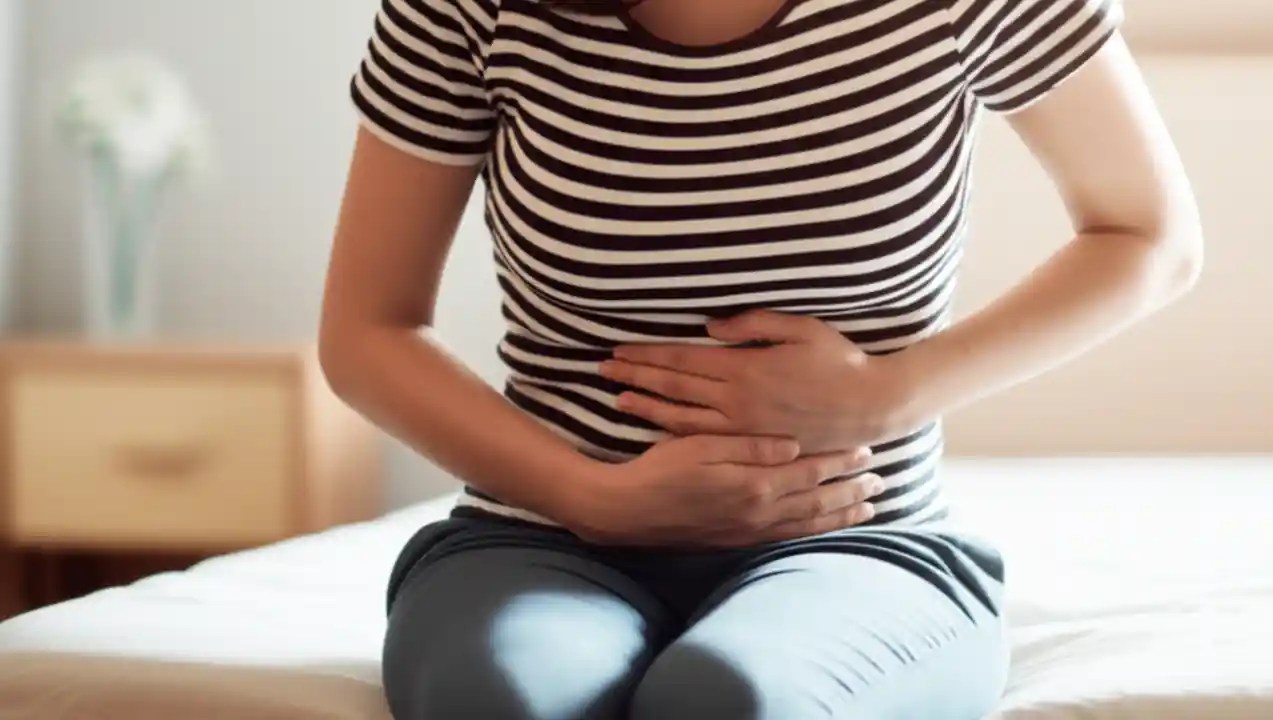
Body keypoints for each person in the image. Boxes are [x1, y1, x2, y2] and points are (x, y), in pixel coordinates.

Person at [320, 0, 1203, 717]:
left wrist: (887, 395)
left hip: (860, 544)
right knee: (505, 699)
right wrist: (593, 498)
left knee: (733, 703)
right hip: (542, 540)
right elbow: (368, 330)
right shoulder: (470, 12)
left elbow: (1151, 236)